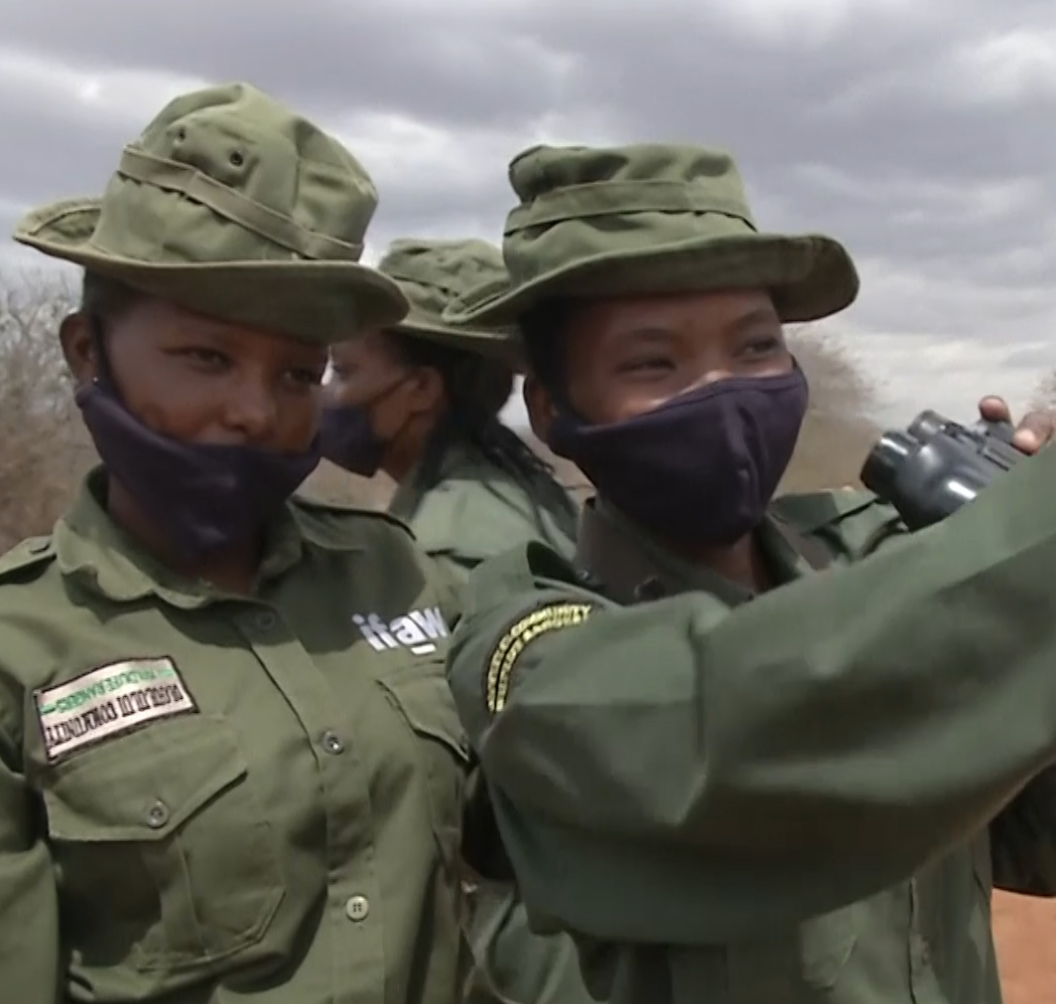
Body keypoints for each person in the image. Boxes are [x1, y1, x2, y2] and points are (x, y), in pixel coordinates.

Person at [439, 141, 1056, 1004]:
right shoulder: (530, 638)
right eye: (654, 362)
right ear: (550, 409)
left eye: (757, 346)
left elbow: (1032, 833)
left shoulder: (871, 555)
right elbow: (726, 727)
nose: (723, 392)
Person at [0, 82, 473, 1004]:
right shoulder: (20, 647)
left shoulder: (401, 576)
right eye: (207, 358)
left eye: (298, 374)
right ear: (88, 350)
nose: (256, 411)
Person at [320, 236, 579, 581]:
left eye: (342, 372)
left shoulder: (445, 551)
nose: (326, 394)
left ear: (422, 390)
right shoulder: (526, 490)